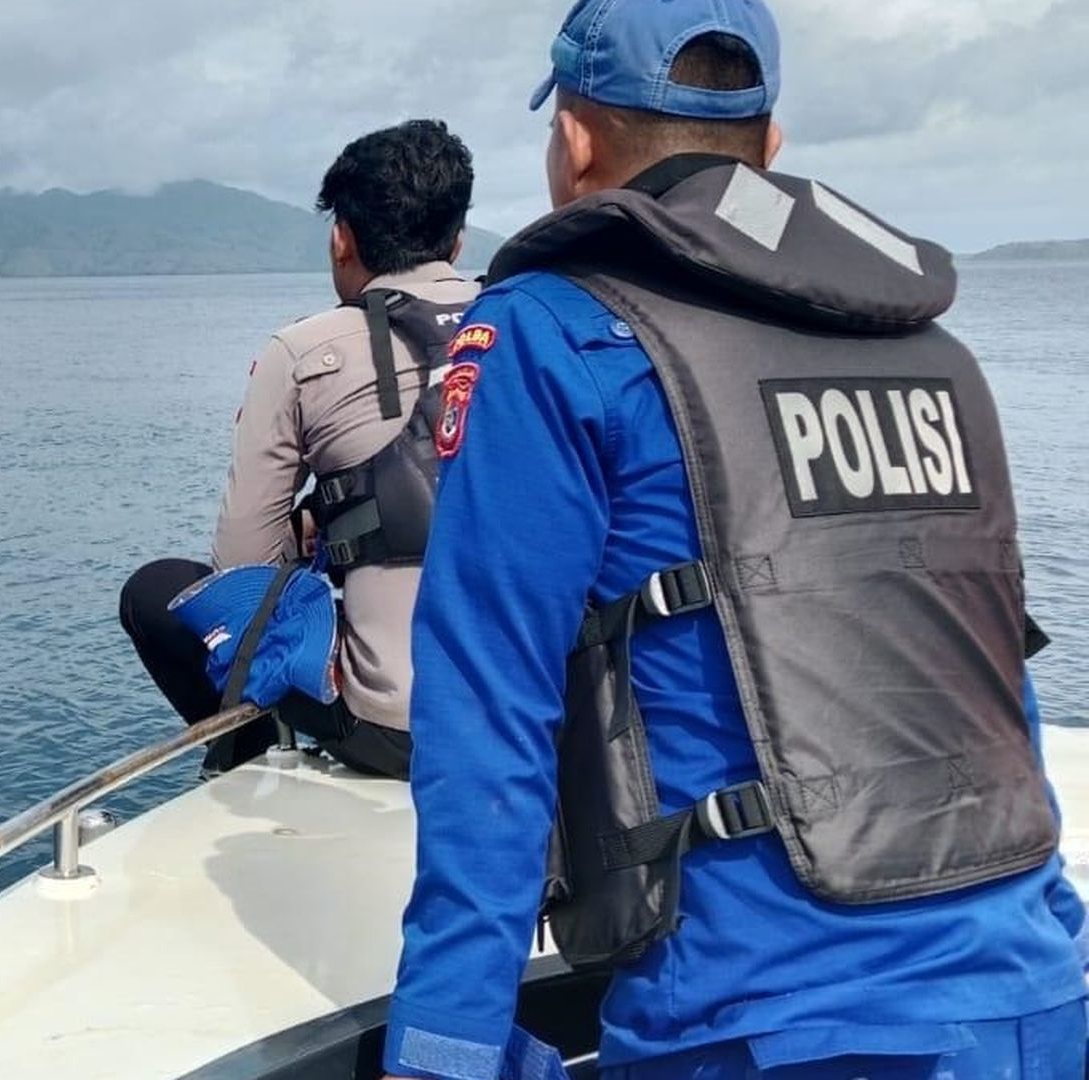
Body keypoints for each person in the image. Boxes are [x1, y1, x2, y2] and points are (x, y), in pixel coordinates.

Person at [384, 3, 1088, 1078]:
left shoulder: (550, 330)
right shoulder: (931, 349)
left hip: (765, 1027)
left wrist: (439, 1051)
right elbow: (992, 675)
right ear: (770, 148)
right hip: (1036, 996)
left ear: (573, 144)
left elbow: (487, 714)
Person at [119, 120, 480, 780]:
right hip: (537, 717)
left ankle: (243, 763)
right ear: (457, 241)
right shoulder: (527, 324)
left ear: (341, 238)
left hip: (392, 731)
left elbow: (241, 573)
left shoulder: (304, 351)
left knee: (157, 590)